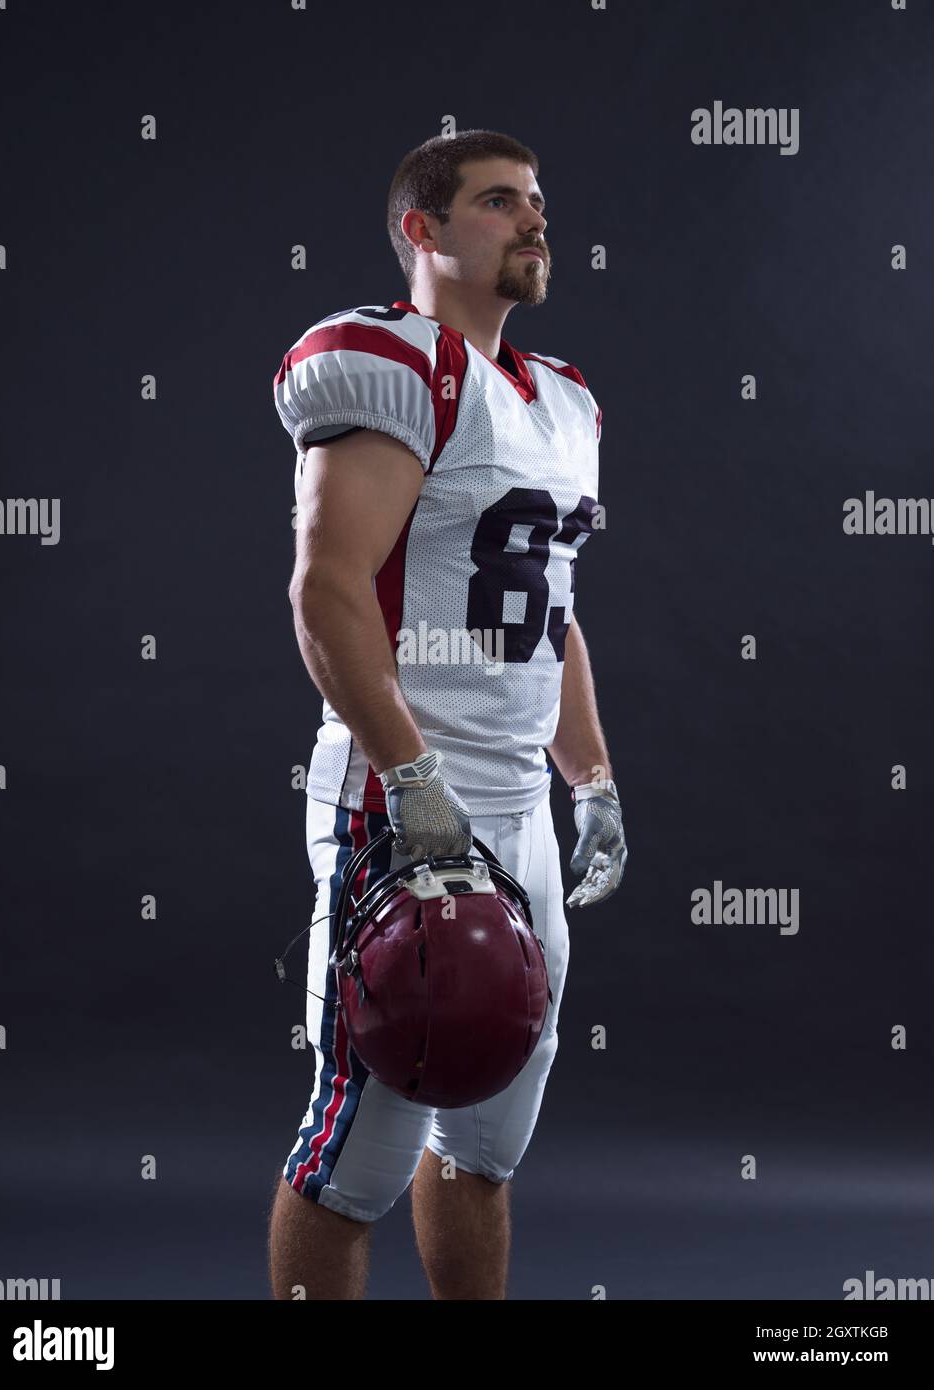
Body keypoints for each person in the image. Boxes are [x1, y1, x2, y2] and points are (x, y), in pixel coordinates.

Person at [267, 129, 627, 1300]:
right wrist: (413, 779)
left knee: (485, 1148)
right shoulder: (396, 365)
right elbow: (327, 590)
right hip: (401, 805)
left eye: (536, 201)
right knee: (354, 1158)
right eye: (496, 202)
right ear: (421, 230)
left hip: (521, 809)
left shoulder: (565, 400)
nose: (532, 221)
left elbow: (550, 619)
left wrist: (593, 783)